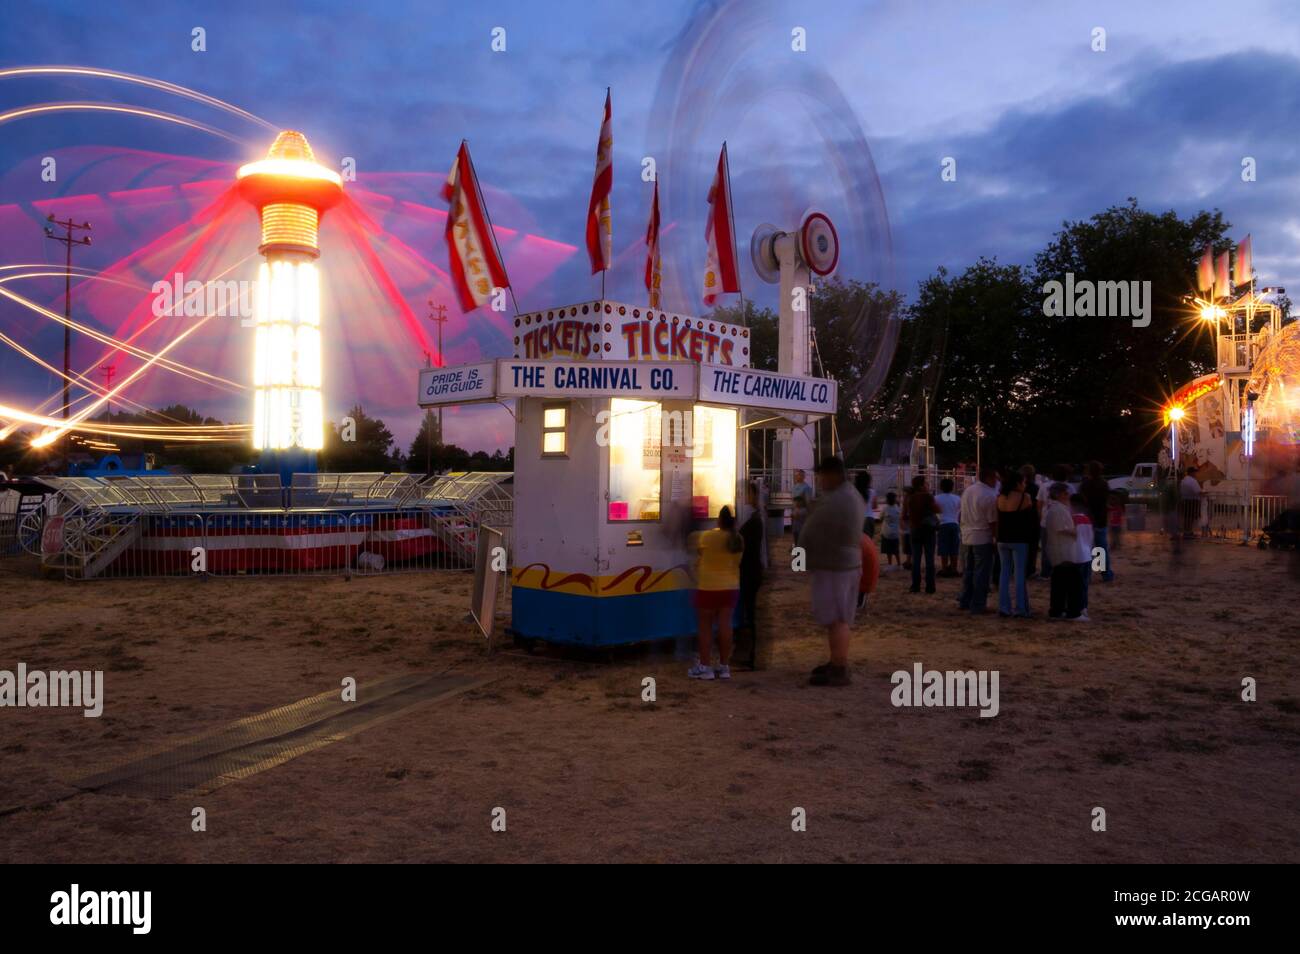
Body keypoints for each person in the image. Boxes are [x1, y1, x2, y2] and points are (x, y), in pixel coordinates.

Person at [798, 456, 866, 687]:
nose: (820, 480)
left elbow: (811, 531)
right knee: (839, 617)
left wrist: (800, 560)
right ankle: (836, 661)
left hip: (835, 567)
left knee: (837, 618)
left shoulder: (837, 499)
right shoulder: (850, 495)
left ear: (833, 475)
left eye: (822, 476)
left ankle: (839, 666)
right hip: (846, 563)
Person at [687, 506, 743, 680]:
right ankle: (724, 667)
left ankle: (705, 667)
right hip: (731, 588)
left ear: (719, 520)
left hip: (708, 587)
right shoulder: (738, 539)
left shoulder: (708, 536)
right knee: (725, 626)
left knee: (705, 628)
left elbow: (694, 546)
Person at [957, 464, 999, 613]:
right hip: (982, 536)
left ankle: (965, 600)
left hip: (966, 535)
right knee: (981, 572)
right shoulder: (989, 495)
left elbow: (960, 513)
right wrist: (995, 539)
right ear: (989, 478)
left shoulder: (968, 491)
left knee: (968, 571)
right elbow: (992, 521)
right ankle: (978, 604)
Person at [996, 468, 1036, 618]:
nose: (1025, 484)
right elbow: (1031, 519)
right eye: (1023, 482)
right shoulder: (1025, 498)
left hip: (1002, 539)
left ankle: (1004, 607)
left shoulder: (1000, 497)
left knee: (1004, 573)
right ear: (1018, 483)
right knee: (1019, 574)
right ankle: (1020, 608)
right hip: (1019, 539)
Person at [736, 482, 767, 670]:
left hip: (750, 571)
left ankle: (751, 657)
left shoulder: (755, 519)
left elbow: (746, 545)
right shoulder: (756, 517)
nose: (743, 497)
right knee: (750, 613)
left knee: (750, 615)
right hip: (752, 570)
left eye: (745, 493)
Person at [1043, 483, 1082, 620]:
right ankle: (1072, 612)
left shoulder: (1057, 508)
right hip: (1062, 551)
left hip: (1061, 550)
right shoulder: (1057, 510)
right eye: (1065, 494)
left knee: (1060, 583)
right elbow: (1061, 528)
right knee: (1072, 583)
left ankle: (1057, 611)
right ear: (1059, 495)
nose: (1068, 496)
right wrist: (1076, 531)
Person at [903, 474, 939, 594]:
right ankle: (930, 586)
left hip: (915, 529)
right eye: (926, 483)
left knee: (916, 560)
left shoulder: (909, 497)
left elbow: (904, 515)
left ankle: (915, 586)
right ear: (922, 485)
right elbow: (937, 509)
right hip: (928, 530)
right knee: (929, 559)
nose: (928, 485)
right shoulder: (928, 497)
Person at [1079, 461, 1112, 582]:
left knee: (1087, 548)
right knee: (1101, 548)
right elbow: (1106, 500)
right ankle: (1105, 574)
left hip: (1087, 518)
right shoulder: (1104, 484)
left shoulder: (1085, 484)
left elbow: (1082, 500)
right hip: (1101, 518)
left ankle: (1087, 575)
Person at [1037, 464, 1070, 579]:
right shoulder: (1069, 487)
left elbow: (1039, 504)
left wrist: (1041, 518)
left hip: (1047, 521)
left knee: (1047, 547)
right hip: (1064, 521)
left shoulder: (1044, 486)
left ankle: (1046, 573)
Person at [1070, 493, 1095, 620]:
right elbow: (1090, 538)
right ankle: (1084, 608)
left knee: (1076, 585)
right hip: (1086, 555)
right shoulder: (1087, 519)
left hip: (1075, 556)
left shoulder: (1071, 519)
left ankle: (1077, 608)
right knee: (1084, 584)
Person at [935, 477, 962, 576]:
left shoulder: (937, 498)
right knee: (954, 548)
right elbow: (960, 512)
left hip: (943, 524)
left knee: (944, 548)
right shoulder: (957, 498)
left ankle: (944, 569)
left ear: (941, 487)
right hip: (954, 524)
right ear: (952, 487)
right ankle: (954, 569)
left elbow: (934, 511)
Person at [1020, 464, 1041, 577]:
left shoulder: (1018, 487)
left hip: (1021, 519)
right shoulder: (1035, 488)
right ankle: (1030, 569)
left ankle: (1021, 568)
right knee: (1032, 547)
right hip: (1032, 519)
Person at [857, 531, 880, 610]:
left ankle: (859, 600)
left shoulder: (857, 542)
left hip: (864, 582)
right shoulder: (862, 537)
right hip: (866, 578)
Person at [880, 491, 902, 568]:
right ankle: (899, 564)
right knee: (896, 550)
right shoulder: (898, 508)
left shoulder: (885, 508)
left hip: (886, 532)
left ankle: (890, 563)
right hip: (895, 532)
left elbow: (880, 518)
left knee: (888, 549)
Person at [791, 468, 813, 540]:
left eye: (799, 475)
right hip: (794, 513)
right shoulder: (794, 487)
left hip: (802, 513)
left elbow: (808, 502)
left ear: (803, 476)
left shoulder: (806, 488)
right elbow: (793, 500)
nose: (797, 476)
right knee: (795, 534)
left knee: (802, 535)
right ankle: (796, 548)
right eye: (796, 475)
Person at [1180, 466, 1202, 537]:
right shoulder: (1192, 481)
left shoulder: (1184, 480)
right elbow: (1198, 491)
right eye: (1195, 472)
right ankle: (1188, 532)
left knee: (1187, 517)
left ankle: (1187, 532)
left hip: (1185, 501)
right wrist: (1204, 493)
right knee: (1190, 518)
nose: (1196, 474)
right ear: (1192, 473)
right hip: (1192, 501)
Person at [854, 471, 877, 538]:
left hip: (859, 519)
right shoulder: (872, 491)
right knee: (869, 541)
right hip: (870, 518)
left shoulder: (854, 492)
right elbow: (875, 506)